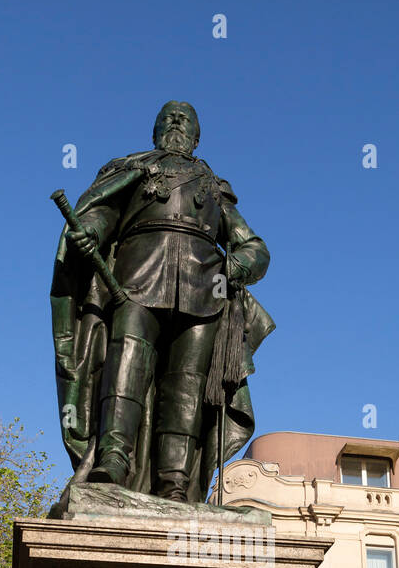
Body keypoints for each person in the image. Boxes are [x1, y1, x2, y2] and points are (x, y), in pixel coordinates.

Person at [50, 101, 273, 503]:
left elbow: (254, 248)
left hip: (204, 291)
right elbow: (103, 213)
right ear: (154, 131)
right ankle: (114, 459)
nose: (175, 122)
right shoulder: (130, 168)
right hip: (137, 278)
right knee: (124, 367)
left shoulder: (213, 186)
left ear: (196, 136)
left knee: (186, 386)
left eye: (184, 119)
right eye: (167, 117)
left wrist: (234, 266)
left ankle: (175, 480)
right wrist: (91, 233)